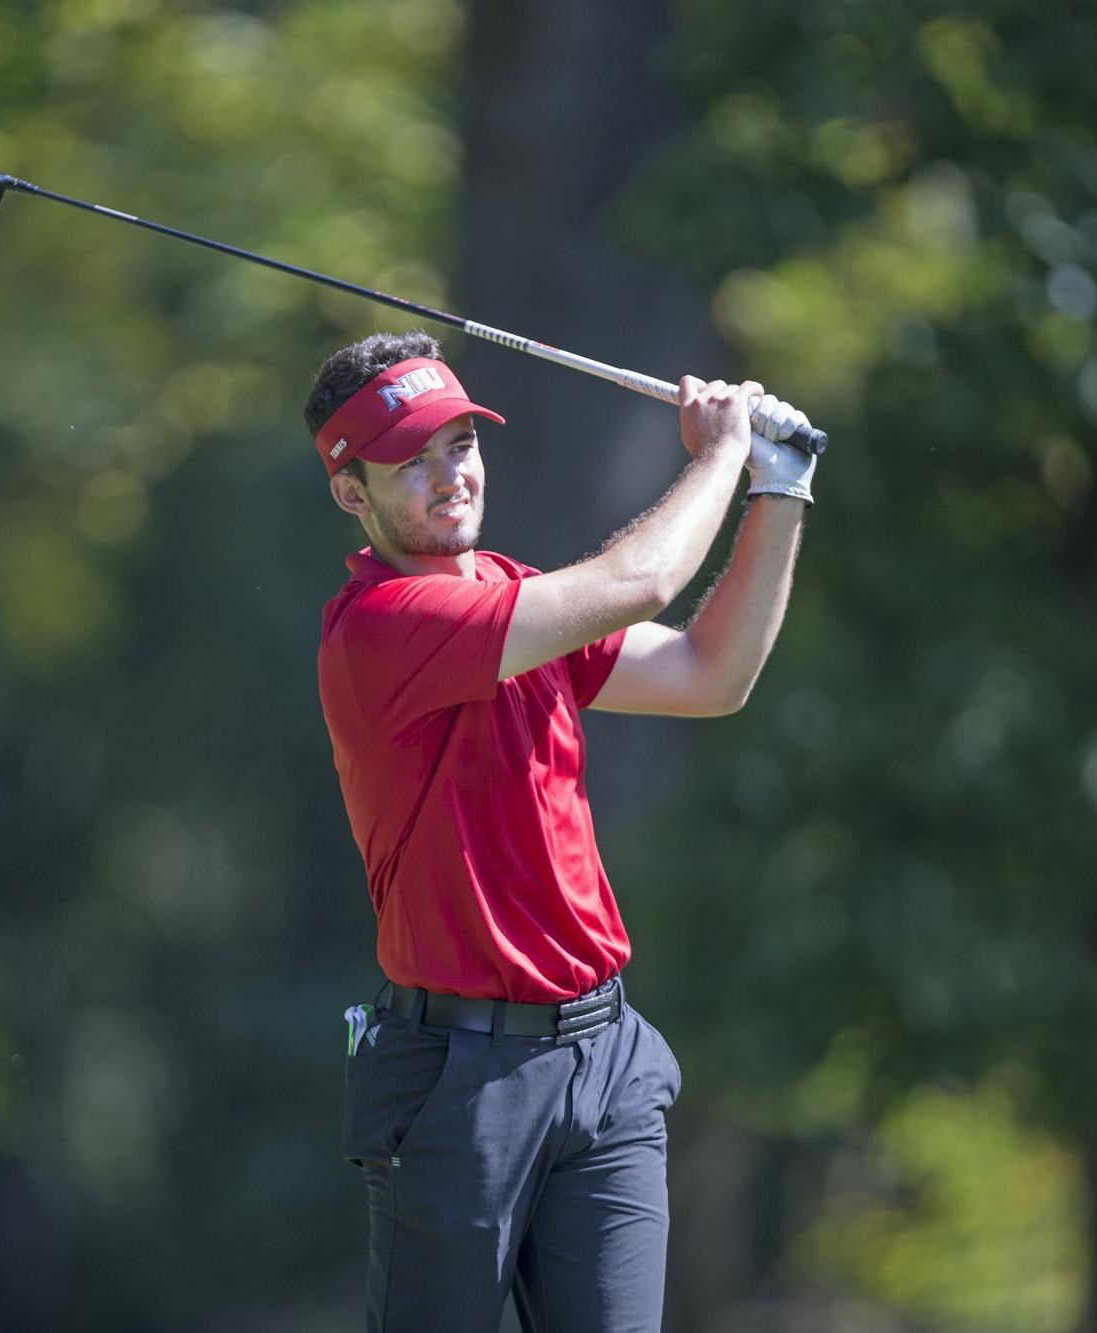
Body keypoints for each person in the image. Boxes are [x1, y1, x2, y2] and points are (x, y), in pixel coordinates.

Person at [307, 329, 816, 1333]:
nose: (448, 475)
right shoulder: (379, 629)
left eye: (459, 443)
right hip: (457, 1089)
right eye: (411, 459)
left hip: (605, 1060)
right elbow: (637, 583)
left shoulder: (514, 598)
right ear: (350, 493)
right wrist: (717, 453)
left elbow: (712, 675)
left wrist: (778, 489)